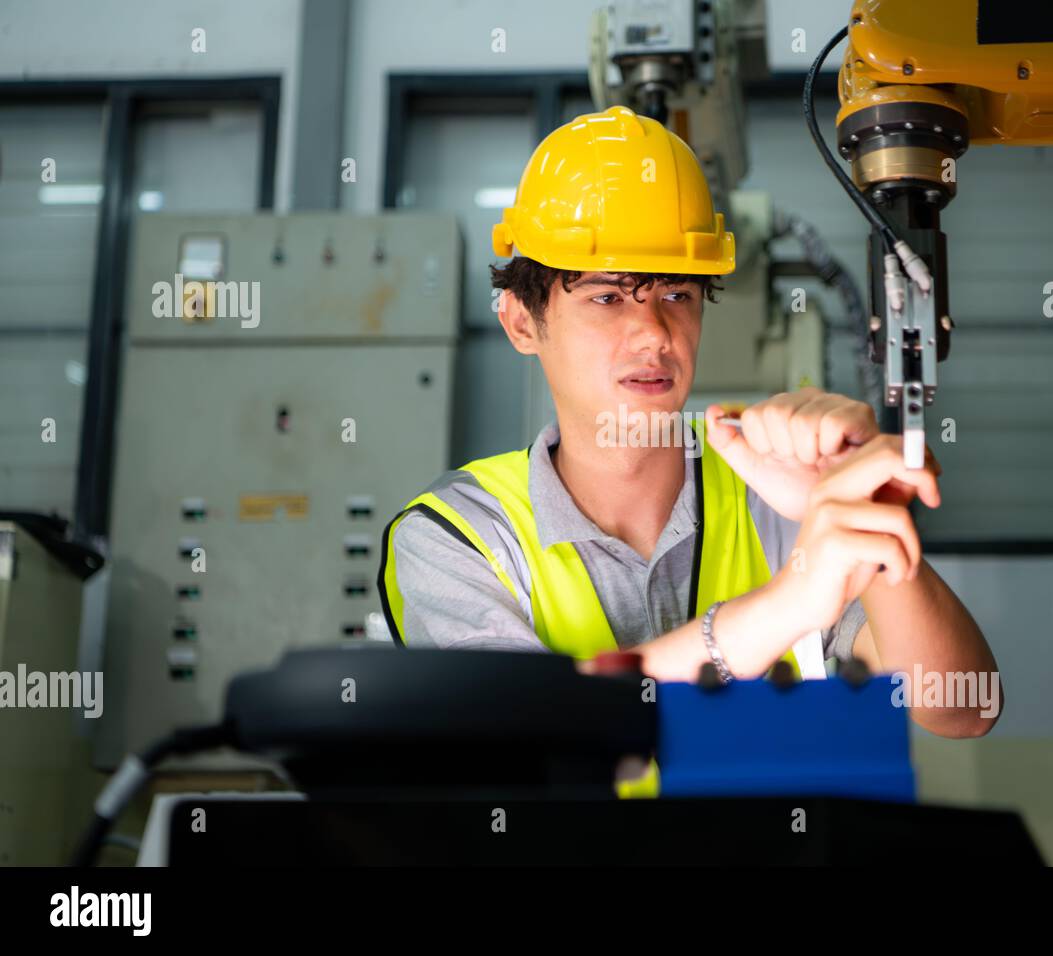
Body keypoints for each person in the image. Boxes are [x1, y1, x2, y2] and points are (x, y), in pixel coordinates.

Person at [379, 106, 1000, 738]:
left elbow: (961, 708)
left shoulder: (775, 492)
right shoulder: (457, 534)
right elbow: (522, 735)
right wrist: (785, 604)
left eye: (677, 294)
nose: (653, 333)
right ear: (520, 322)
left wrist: (868, 512)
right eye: (607, 296)